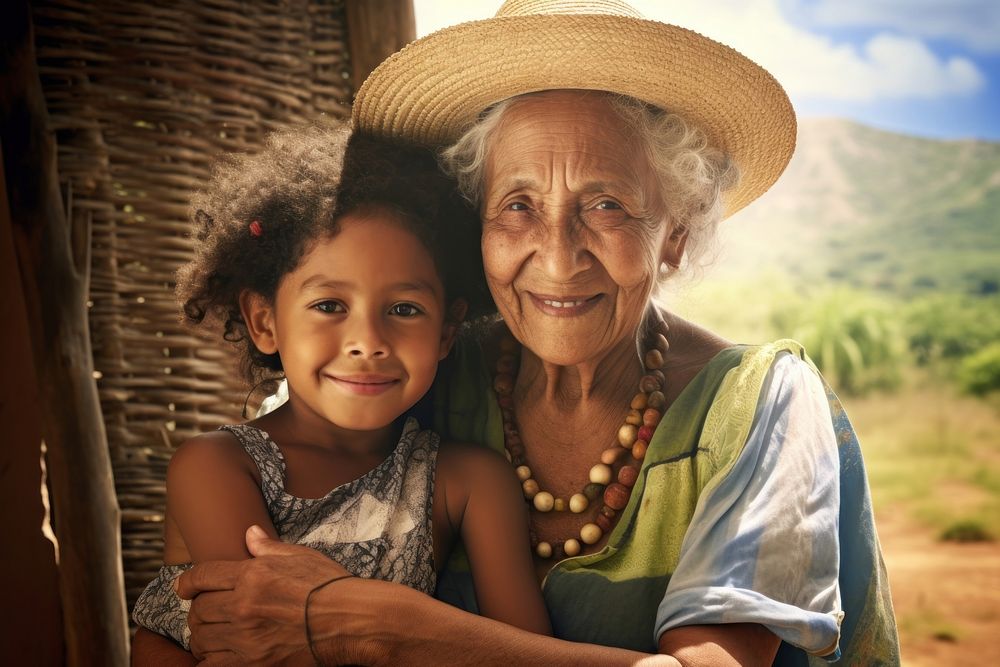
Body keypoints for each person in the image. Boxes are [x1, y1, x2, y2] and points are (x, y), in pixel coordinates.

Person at [136, 1, 900, 664]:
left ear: (675, 233)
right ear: (478, 229)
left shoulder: (763, 406)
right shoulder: (426, 373)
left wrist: (383, 628)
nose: (558, 255)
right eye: (518, 205)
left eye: (606, 205)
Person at [129, 123, 551, 659]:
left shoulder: (468, 482)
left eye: (404, 309)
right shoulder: (215, 465)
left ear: (446, 332)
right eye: (329, 306)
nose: (368, 343)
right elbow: (255, 638)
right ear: (264, 322)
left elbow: (529, 654)